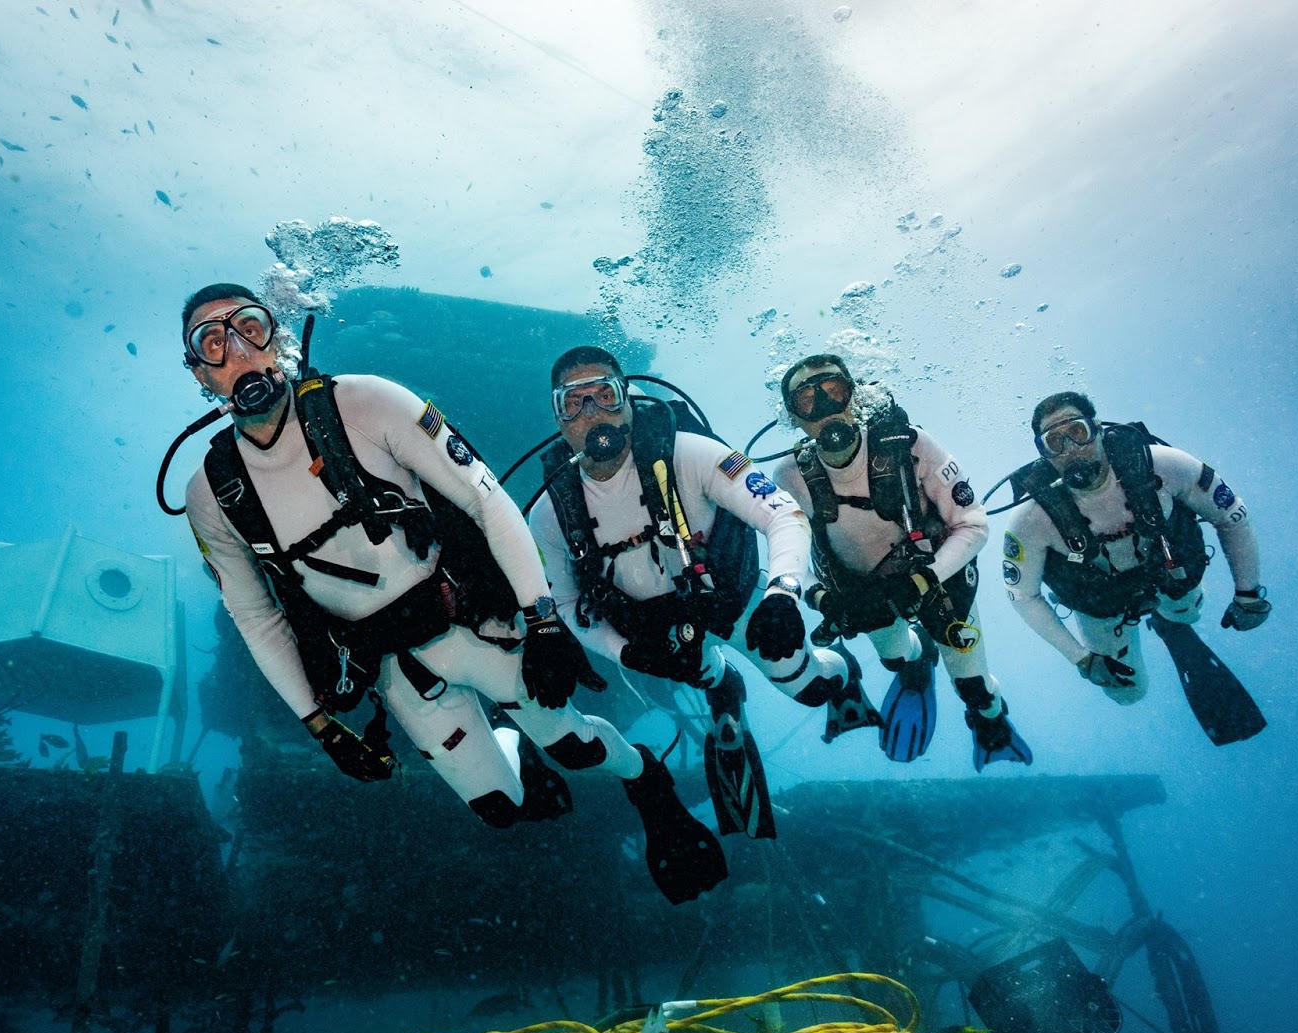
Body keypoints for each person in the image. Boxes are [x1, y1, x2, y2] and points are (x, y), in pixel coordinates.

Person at [177, 284, 726, 905]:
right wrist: (319, 724)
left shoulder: (370, 403)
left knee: (574, 747)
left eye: (249, 327)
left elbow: (484, 498)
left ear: (275, 336)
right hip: (394, 668)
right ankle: (516, 746)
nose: (238, 351)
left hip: (475, 622)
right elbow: (254, 617)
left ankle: (643, 777)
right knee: (501, 807)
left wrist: (542, 621)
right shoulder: (211, 494)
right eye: (214, 342)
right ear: (200, 371)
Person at [528, 346, 868, 842]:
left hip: (740, 604)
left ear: (628, 400)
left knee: (809, 691)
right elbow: (560, 604)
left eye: (605, 394)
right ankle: (722, 685)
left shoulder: (695, 455)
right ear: (558, 418)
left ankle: (841, 672)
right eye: (573, 403)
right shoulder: (546, 513)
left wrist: (783, 593)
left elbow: (784, 514)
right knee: (697, 668)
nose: (593, 414)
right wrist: (624, 652)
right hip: (653, 633)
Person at [769, 354, 1032, 772]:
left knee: (975, 690)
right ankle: (916, 658)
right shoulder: (787, 475)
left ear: (854, 395)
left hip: (939, 582)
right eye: (807, 400)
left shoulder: (910, 446)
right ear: (794, 419)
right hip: (862, 596)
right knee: (897, 658)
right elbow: (784, 551)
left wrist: (923, 581)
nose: (825, 409)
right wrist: (822, 600)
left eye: (833, 391)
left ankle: (990, 718)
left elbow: (973, 525)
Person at [1000, 392, 1270, 743]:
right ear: (1044, 454)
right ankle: (1166, 623)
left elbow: (1232, 516)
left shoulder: (1165, 466)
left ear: (1097, 429)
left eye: (1078, 433)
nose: (1070, 449)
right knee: (1128, 694)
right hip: (1103, 606)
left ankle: (1171, 625)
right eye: (1055, 441)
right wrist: (1082, 660)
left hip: (1171, 577)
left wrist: (1248, 593)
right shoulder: (1029, 520)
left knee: (1186, 615)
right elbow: (1023, 596)